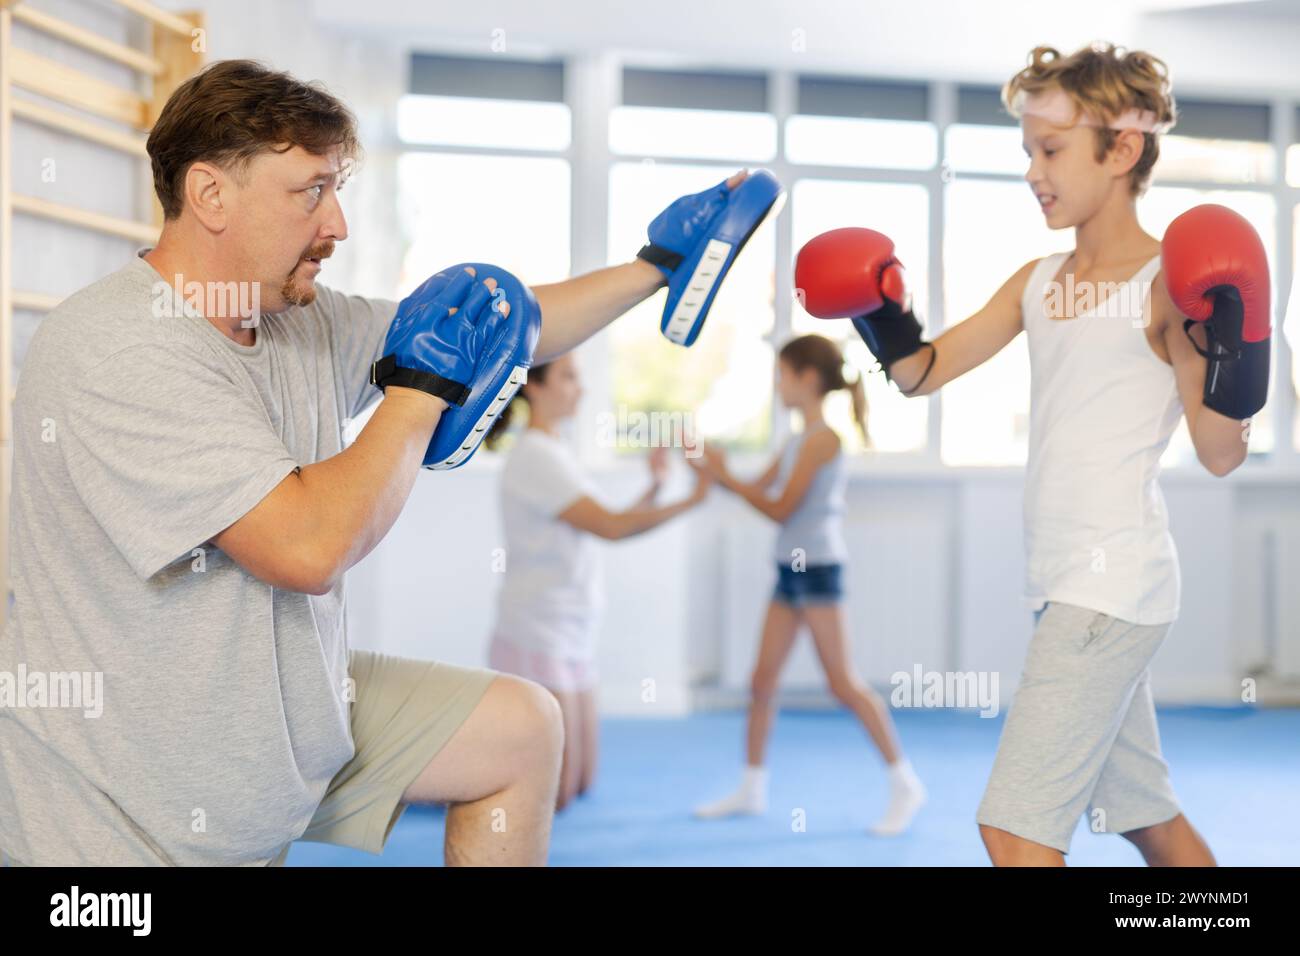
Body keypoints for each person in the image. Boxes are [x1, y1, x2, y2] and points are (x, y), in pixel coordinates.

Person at [0, 58, 776, 866]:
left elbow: (505, 329)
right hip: (119, 814)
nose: (337, 224)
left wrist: (656, 265)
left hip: (277, 718)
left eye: (338, 190)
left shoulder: (298, 318)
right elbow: (308, 547)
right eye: (311, 190)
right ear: (210, 194)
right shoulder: (120, 346)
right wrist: (421, 388)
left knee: (520, 730)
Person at [797, 43, 1272, 865]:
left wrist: (1239, 335)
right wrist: (881, 313)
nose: (1032, 170)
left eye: (1050, 149)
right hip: (1063, 585)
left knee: (1013, 831)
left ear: (1121, 149)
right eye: (1026, 151)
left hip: (1112, 586)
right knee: (1144, 815)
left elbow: (1220, 452)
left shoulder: (1169, 283)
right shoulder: (1038, 278)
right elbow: (922, 373)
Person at [689, 334, 926, 836]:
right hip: (788, 571)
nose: (777, 384)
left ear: (808, 379)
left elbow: (779, 508)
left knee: (842, 684)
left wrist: (723, 476)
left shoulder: (824, 440)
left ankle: (905, 783)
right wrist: (717, 470)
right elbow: (759, 487)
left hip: (817, 569)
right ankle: (752, 789)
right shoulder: (797, 439)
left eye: (783, 374)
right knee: (761, 681)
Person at [484, 354, 710, 811]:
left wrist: (655, 487)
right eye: (569, 377)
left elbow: (608, 519)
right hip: (538, 630)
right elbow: (610, 527)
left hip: (572, 627)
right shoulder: (535, 456)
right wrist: (693, 500)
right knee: (558, 795)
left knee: (581, 783)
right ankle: (456, 791)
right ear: (535, 387)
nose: (580, 389)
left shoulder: (559, 450)